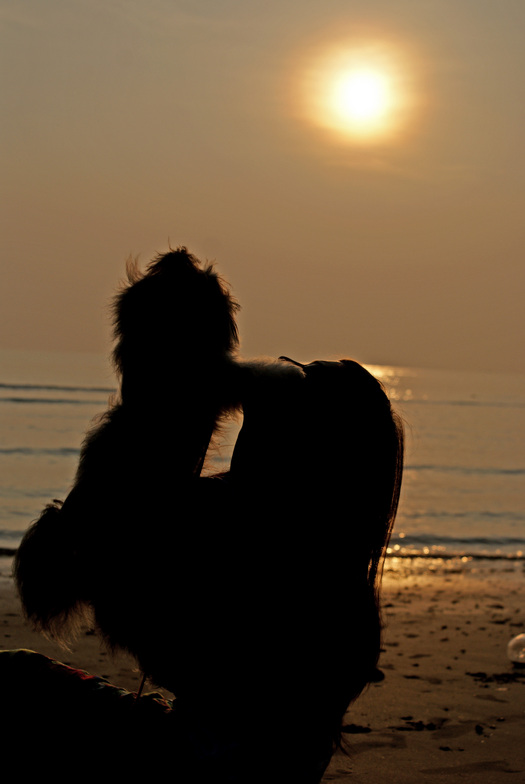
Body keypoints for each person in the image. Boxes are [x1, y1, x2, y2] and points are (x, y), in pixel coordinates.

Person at [9, 252, 403, 782]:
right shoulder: (325, 558)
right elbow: (52, 584)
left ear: (306, 448)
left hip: (203, 763)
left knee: (17, 681)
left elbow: (121, 612)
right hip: (217, 750)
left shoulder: (275, 553)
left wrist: (176, 389)